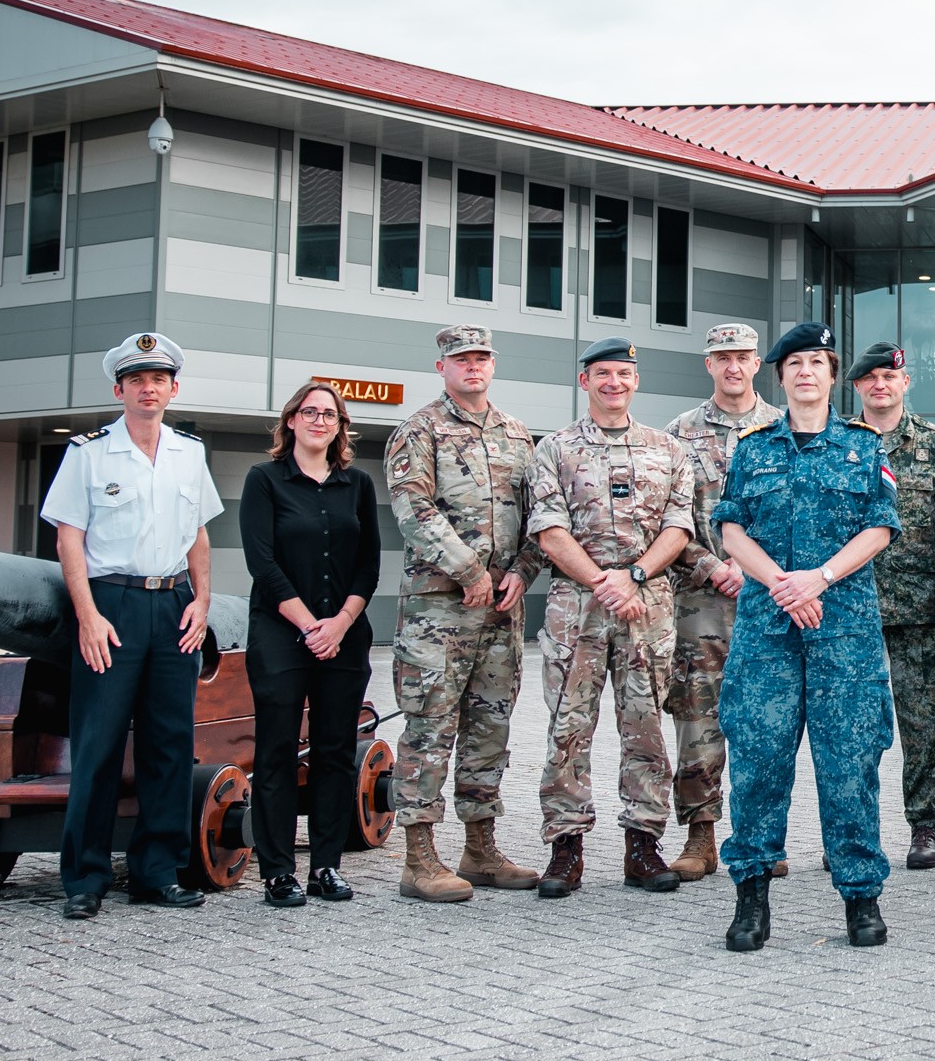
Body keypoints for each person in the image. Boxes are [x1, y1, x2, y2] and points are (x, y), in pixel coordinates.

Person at [712, 321, 902, 951]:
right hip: (767, 633)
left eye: (818, 361)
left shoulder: (864, 445)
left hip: (843, 631)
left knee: (849, 766)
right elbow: (730, 528)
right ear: (781, 375)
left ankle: (860, 897)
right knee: (759, 764)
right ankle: (751, 896)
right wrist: (779, 583)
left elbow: (881, 528)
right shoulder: (753, 446)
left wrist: (817, 579)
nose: (805, 372)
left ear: (830, 373)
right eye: (794, 362)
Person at [44, 332, 221, 919]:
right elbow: (68, 534)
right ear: (119, 389)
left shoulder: (187, 453)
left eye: (159, 380)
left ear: (174, 389)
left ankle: (157, 872)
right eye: (137, 380)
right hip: (111, 607)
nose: (149, 389)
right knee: (96, 743)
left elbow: (197, 533)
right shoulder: (88, 452)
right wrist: (87, 615)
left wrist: (202, 601)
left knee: (170, 744)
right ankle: (85, 879)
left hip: (172, 606)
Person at [524, 337, 696, 899]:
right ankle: (565, 847)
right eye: (602, 374)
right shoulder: (554, 448)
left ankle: (643, 845)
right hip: (577, 607)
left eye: (623, 373)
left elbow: (679, 526)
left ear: (635, 380)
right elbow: (549, 529)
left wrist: (636, 576)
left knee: (645, 726)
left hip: (648, 607)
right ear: (585, 382)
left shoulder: (668, 450)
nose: (613, 383)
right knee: (567, 728)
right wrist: (605, 580)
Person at [384, 323, 539, 903]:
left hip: (501, 611)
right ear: (441, 367)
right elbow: (414, 509)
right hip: (439, 610)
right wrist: (470, 572)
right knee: (429, 726)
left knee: (490, 727)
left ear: (493, 364)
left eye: (481, 358)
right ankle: (419, 857)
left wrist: (523, 570)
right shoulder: (418, 430)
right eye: (461, 359)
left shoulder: (518, 435)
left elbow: (540, 515)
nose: (472, 367)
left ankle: (480, 848)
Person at [239, 379, 381, 907]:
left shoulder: (358, 484)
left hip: (345, 636)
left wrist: (339, 623)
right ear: (291, 420)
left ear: (341, 426)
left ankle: (325, 866)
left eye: (331, 414)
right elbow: (263, 564)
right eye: (311, 411)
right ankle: (278, 871)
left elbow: (369, 564)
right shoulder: (264, 480)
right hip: (281, 634)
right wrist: (308, 625)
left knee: (334, 752)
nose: (320, 420)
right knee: (276, 752)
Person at [665, 321, 781, 882]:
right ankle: (700, 837)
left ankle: (762, 837)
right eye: (722, 358)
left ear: (757, 363)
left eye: (742, 357)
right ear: (707, 365)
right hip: (700, 601)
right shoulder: (678, 435)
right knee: (698, 718)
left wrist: (757, 570)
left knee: (767, 723)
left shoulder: (785, 429)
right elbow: (664, 519)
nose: (733, 367)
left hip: (768, 599)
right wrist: (712, 565)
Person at [853, 342, 935, 871]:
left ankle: (924, 825)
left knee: (923, 724)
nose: (880, 386)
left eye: (888, 377)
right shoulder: (840, 444)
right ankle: (855, 827)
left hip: (917, 610)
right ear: (856, 387)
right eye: (869, 378)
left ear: (905, 382)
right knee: (854, 726)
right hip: (852, 610)